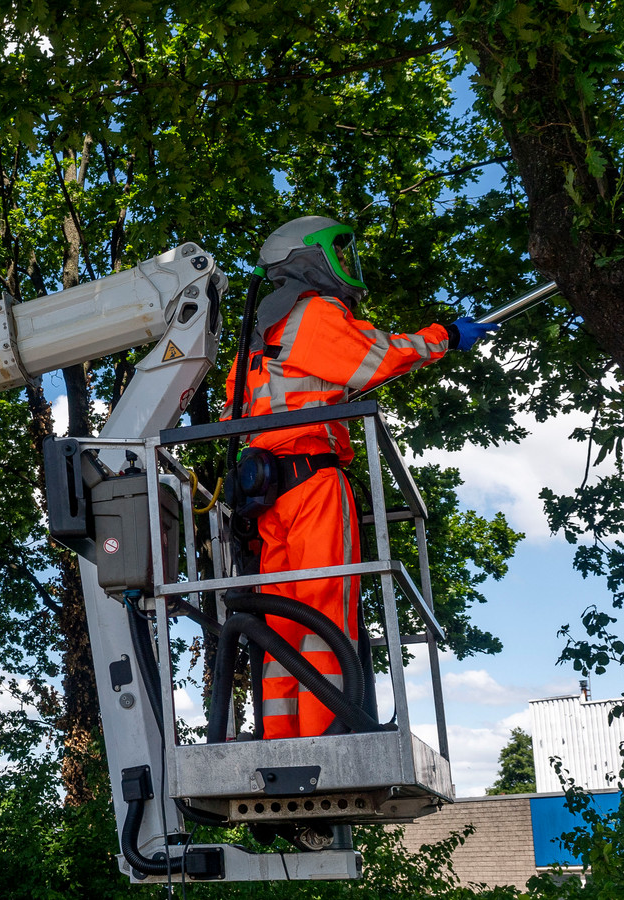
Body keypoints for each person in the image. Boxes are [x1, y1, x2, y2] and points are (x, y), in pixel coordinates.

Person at [222, 215, 497, 739]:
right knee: (327, 607)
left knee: (282, 622)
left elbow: (239, 412)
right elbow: (375, 359)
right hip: (313, 485)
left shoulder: (259, 335)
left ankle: (284, 739)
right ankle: (331, 736)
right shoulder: (315, 312)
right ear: (311, 257)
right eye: (338, 251)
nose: (346, 262)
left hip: (267, 496)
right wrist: (446, 335)